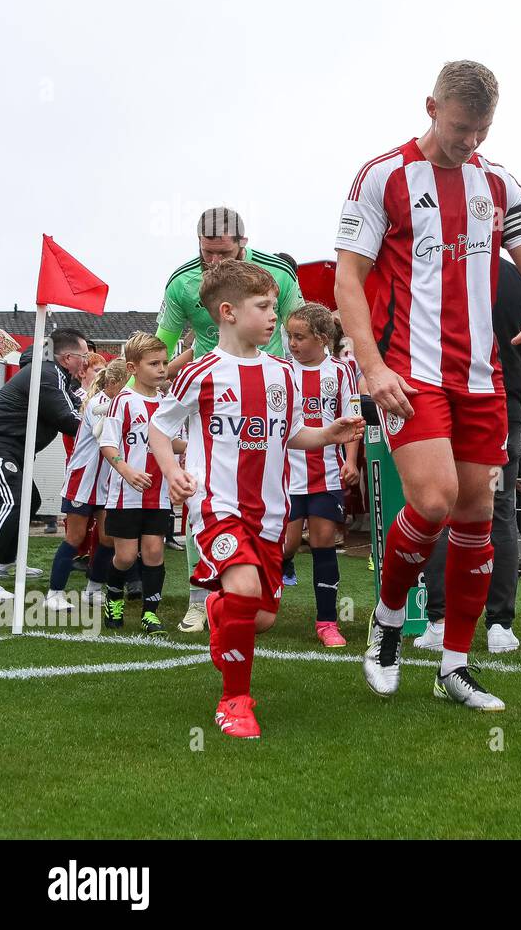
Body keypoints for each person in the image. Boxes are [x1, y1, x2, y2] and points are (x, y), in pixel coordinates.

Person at [335, 59, 521, 711]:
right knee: (431, 501)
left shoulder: (499, 181)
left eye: (481, 131)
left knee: (475, 517)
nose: (470, 143)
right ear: (431, 107)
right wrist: (372, 367)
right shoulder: (383, 176)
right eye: (462, 128)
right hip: (410, 370)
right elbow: (349, 278)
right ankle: (385, 625)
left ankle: (454, 666)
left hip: (483, 379)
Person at [150, 260, 363, 739]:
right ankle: (234, 701)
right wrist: (171, 471)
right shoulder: (200, 373)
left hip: (269, 513)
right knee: (244, 588)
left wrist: (328, 433)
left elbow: (291, 436)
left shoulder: (282, 376)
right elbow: (159, 428)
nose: (274, 317)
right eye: (263, 307)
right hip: (216, 506)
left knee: (261, 617)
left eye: (273, 306)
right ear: (227, 312)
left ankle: (218, 611)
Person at [156, 208, 305, 634]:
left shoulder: (275, 274)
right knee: (207, 491)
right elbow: (164, 340)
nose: (215, 262)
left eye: (223, 252)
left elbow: (298, 325)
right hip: (213, 395)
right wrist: (134, 386)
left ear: (243, 242)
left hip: (269, 395)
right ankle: (200, 599)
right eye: (207, 253)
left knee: (261, 612)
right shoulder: (183, 281)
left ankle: (237, 599)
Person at [418, 258, 521, 653]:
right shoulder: (515, 276)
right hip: (497, 408)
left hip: (448, 404)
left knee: (443, 509)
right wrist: (516, 401)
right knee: (497, 509)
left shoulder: (436, 262)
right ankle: (497, 624)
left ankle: (441, 620)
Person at [282, 303, 361, 647]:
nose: (293, 344)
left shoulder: (342, 371)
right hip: (286, 476)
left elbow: (352, 419)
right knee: (284, 545)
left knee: (322, 543)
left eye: (299, 337)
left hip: (326, 475)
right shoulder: (281, 371)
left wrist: (351, 461)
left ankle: (327, 622)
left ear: (323, 338)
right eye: (290, 337)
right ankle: (267, 593)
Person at [99, 333, 183, 633]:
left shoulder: (165, 402)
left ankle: (150, 613)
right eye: (154, 364)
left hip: (158, 495)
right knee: (124, 556)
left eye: (164, 363)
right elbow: (108, 444)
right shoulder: (123, 401)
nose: (162, 369)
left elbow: (169, 442)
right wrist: (126, 471)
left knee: (154, 553)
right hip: (126, 496)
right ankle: (113, 600)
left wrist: (192, 447)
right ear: (133, 368)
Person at [0, 328, 87, 588]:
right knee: (12, 502)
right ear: (67, 357)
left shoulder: (56, 375)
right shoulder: (47, 374)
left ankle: (6, 560)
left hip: (16, 449)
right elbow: (67, 419)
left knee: (30, 500)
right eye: (83, 355)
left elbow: (77, 408)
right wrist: (104, 429)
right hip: (2, 444)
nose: (86, 360)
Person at [46, 358, 130, 611]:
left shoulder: (122, 403)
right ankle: (54, 594)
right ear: (113, 383)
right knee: (75, 536)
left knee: (107, 538)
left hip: (106, 481)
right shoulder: (97, 404)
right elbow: (103, 437)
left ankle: (93, 589)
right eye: (127, 385)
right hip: (83, 480)